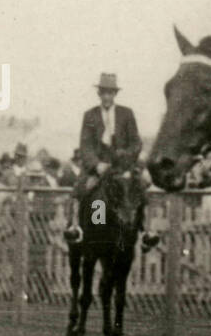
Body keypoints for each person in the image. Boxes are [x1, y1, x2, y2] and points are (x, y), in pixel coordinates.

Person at [63, 73, 159, 249]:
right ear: (99, 94)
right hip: (99, 166)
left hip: (123, 165)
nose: (107, 96)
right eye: (104, 93)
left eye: (110, 93)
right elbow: (85, 145)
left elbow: (136, 142)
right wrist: (96, 164)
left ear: (115, 94)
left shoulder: (126, 113)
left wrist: (125, 158)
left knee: (144, 183)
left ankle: (147, 230)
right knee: (82, 188)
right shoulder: (90, 115)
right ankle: (76, 226)